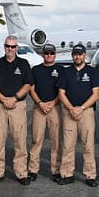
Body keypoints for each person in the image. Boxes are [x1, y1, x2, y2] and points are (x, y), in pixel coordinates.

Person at [0, 35, 34, 185]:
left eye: (13, 47)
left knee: (20, 140)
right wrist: (3, 99)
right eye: (7, 46)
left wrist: (14, 98)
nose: (10, 49)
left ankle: (21, 173)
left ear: (17, 48)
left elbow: (28, 84)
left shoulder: (24, 63)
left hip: (17, 106)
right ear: (4, 47)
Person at [57, 43, 99, 187]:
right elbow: (61, 93)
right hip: (69, 111)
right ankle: (67, 173)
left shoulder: (92, 71)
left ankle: (90, 175)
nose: (77, 56)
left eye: (80, 54)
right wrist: (71, 108)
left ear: (84, 55)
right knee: (68, 145)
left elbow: (96, 94)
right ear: (72, 56)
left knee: (88, 144)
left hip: (86, 111)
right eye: (75, 54)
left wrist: (81, 108)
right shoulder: (66, 72)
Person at [29, 43, 65, 182]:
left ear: (55, 54)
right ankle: (33, 169)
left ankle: (56, 169)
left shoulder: (61, 70)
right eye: (46, 53)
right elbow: (32, 88)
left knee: (56, 141)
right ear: (42, 55)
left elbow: (62, 90)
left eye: (51, 53)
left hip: (54, 107)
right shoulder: (36, 70)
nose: (49, 56)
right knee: (36, 140)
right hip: (39, 107)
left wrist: (53, 103)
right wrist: (40, 103)